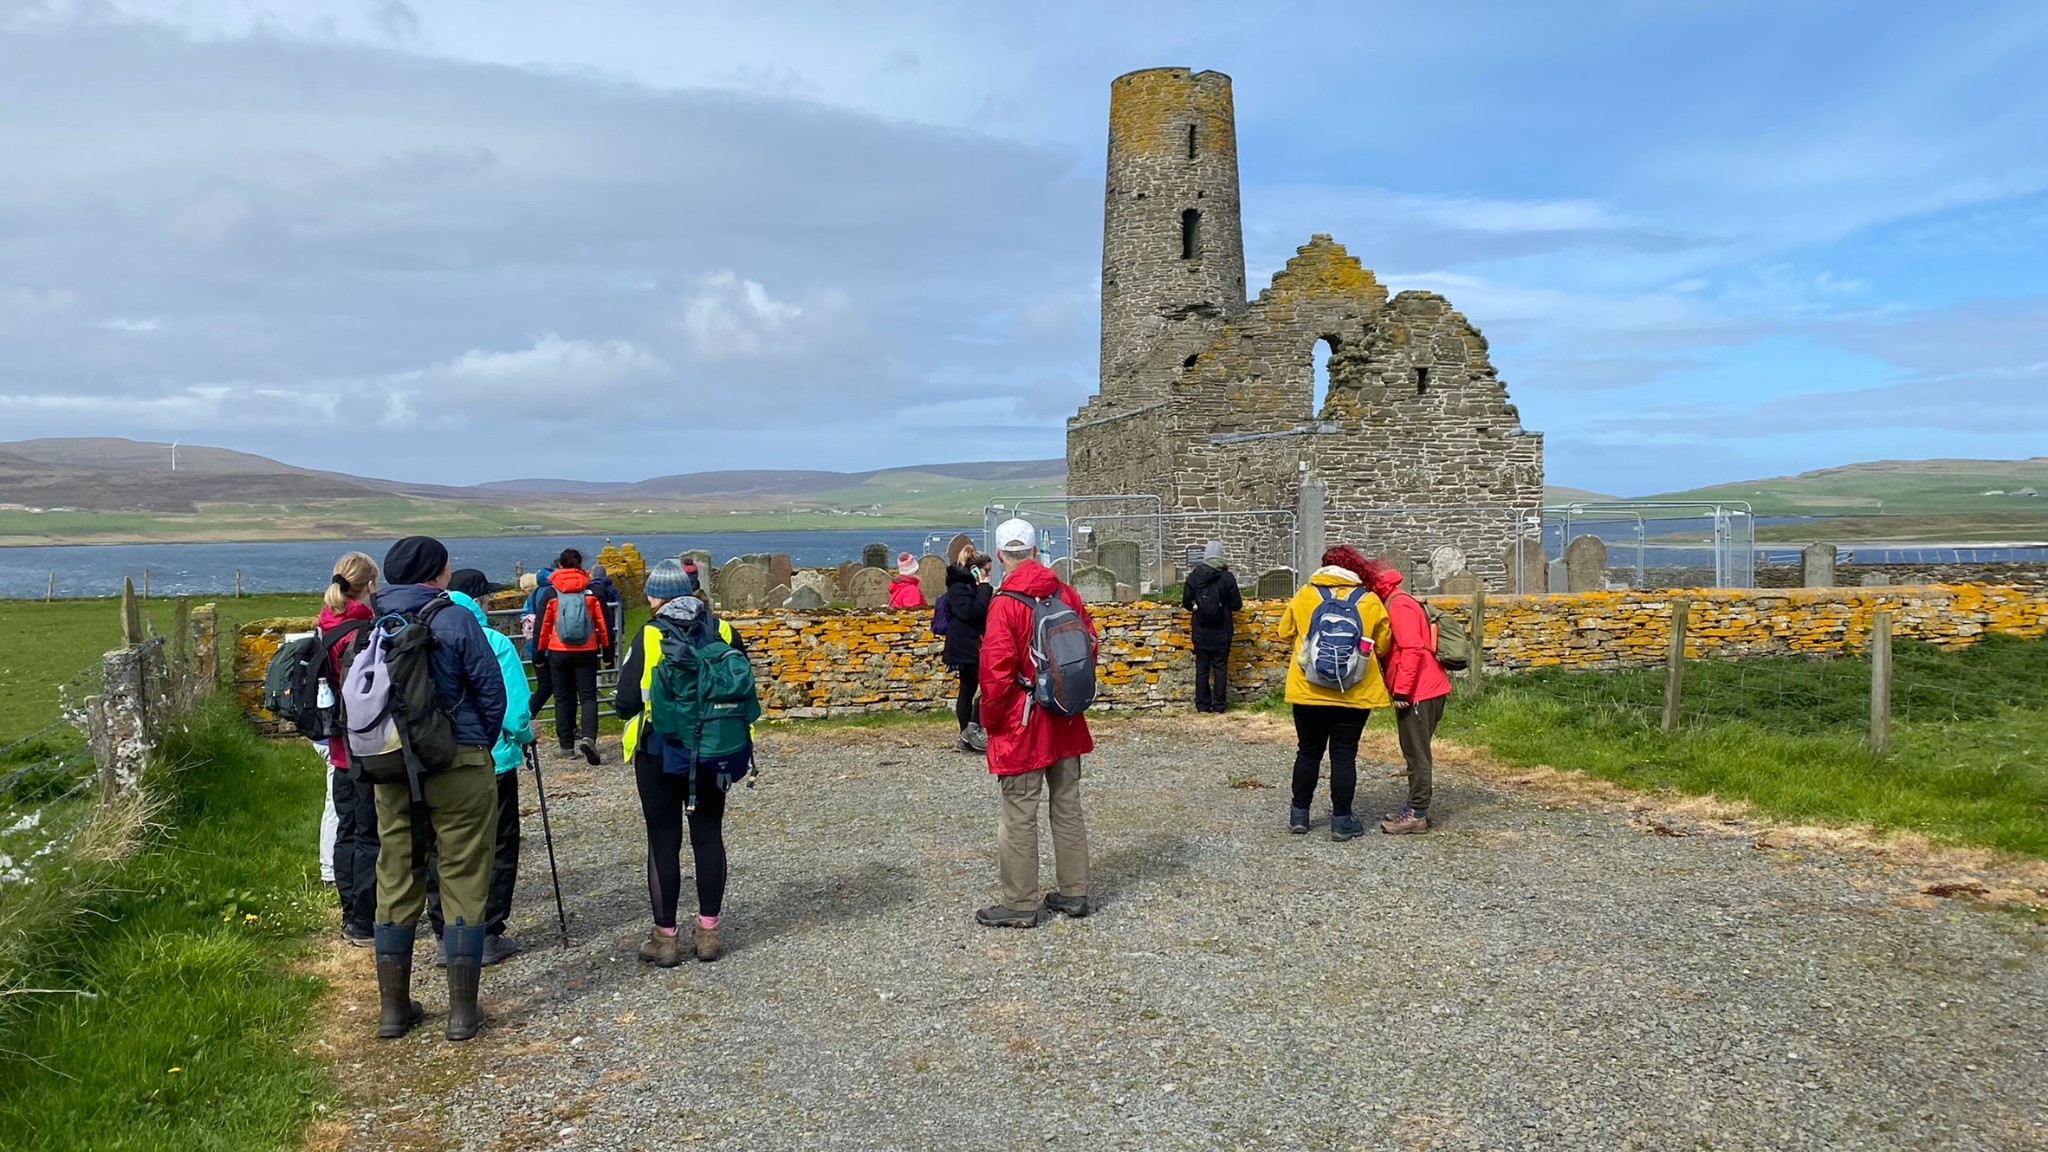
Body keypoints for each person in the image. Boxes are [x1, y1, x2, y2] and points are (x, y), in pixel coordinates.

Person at [369, 536, 507, 1042]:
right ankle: (462, 1014)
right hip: (459, 759)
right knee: (464, 872)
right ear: (436, 572)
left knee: (396, 872)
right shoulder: (456, 618)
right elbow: (490, 690)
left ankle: (393, 1010)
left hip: (390, 764)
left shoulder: (372, 622)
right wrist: (476, 743)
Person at [614, 559, 750, 967]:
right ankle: (708, 934)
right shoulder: (723, 630)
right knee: (708, 835)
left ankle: (666, 939)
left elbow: (625, 702)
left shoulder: (649, 635)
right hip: (715, 748)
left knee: (663, 840)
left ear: (654, 597)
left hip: (659, 749)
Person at [975, 519, 1093, 929]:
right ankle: (1075, 891)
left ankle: (1020, 903)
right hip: (1066, 715)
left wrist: (989, 722)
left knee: (1020, 814)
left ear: (1000, 555)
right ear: (1035, 552)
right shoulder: (1065, 593)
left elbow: (995, 674)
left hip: (1023, 723)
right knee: (1067, 806)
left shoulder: (1005, 603)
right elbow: (1089, 648)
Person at [423, 588, 535, 965]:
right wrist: (524, 735)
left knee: (439, 846)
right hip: (491, 758)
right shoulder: (495, 642)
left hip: (433, 757)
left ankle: (445, 933)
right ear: (478, 607)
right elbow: (513, 709)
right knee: (497, 846)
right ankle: (486, 932)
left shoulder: (421, 634)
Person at [1275, 545, 1393, 842]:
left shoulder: (1305, 594)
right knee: (1344, 755)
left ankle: (1299, 815)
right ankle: (1341, 821)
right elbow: (1383, 645)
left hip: (1308, 689)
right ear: (1355, 568)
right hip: (1354, 691)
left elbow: (1284, 633)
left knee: (1308, 751)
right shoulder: (1369, 600)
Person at [317, 551, 382, 947]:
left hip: (337, 744)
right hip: (366, 746)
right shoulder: (365, 629)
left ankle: (350, 915)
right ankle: (365, 920)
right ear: (370, 585)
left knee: (346, 831)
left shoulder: (324, 625)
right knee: (369, 836)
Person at [1367, 564, 1452, 835]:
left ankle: (1417, 814)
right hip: (1427, 687)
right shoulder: (1400, 598)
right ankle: (1415, 808)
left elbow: (1412, 649)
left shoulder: (1397, 605)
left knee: (1417, 754)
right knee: (1416, 752)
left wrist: (1402, 691)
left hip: (1419, 691)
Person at [536, 549, 611, 765]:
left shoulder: (551, 592)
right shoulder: (592, 591)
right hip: (587, 650)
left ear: (560, 565)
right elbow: (604, 626)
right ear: (580, 565)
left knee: (563, 698)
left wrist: (538, 655)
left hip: (559, 651)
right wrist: (608, 655)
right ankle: (588, 738)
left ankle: (566, 746)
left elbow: (542, 627)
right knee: (588, 697)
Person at [1181, 540, 1243, 713]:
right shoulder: (1227, 577)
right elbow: (1237, 605)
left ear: (1206, 555)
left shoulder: (1194, 575)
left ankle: (1202, 705)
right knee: (1220, 667)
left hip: (1201, 629)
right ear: (1221, 555)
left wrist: (1198, 607)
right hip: (1222, 630)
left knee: (1202, 667)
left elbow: (1186, 602)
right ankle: (1219, 705)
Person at [943, 545, 993, 754]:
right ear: (976, 569)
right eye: (987, 570)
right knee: (989, 686)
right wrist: (984, 588)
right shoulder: (960, 587)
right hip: (966, 644)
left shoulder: (965, 585)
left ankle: (967, 735)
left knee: (969, 687)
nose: (988, 575)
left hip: (970, 643)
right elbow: (974, 612)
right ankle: (971, 730)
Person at [520, 565, 556, 722]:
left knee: (544, 685)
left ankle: (527, 715)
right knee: (558, 687)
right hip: (552, 643)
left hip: (535, 644)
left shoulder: (533, 595)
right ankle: (526, 715)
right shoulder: (554, 592)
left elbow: (525, 614)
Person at [588, 564, 625, 669]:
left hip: (594, 625)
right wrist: (621, 626)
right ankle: (610, 674)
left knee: (595, 649)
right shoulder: (612, 589)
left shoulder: (590, 590)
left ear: (592, 575)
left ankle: (598, 675)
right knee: (610, 648)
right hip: (610, 624)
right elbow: (620, 608)